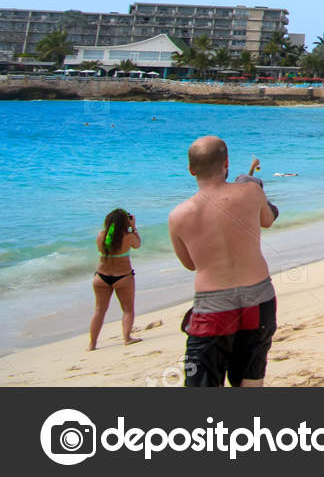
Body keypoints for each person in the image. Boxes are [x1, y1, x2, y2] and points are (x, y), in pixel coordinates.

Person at [168, 140, 278, 386]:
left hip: (214, 307)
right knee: (250, 381)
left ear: (190, 169)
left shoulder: (178, 215)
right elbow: (268, 219)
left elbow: (190, 264)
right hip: (259, 298)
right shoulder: (251, 192)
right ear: (226, 163)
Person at [89, 208, 142, 350]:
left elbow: (104, 247)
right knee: (128, 309)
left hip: (101, 276)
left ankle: (92, 344)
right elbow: (137, 245)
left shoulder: (101, 235)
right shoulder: (129, 236)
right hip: (123, 277)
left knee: (99, 310)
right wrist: (133, 227)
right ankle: (127, 338)